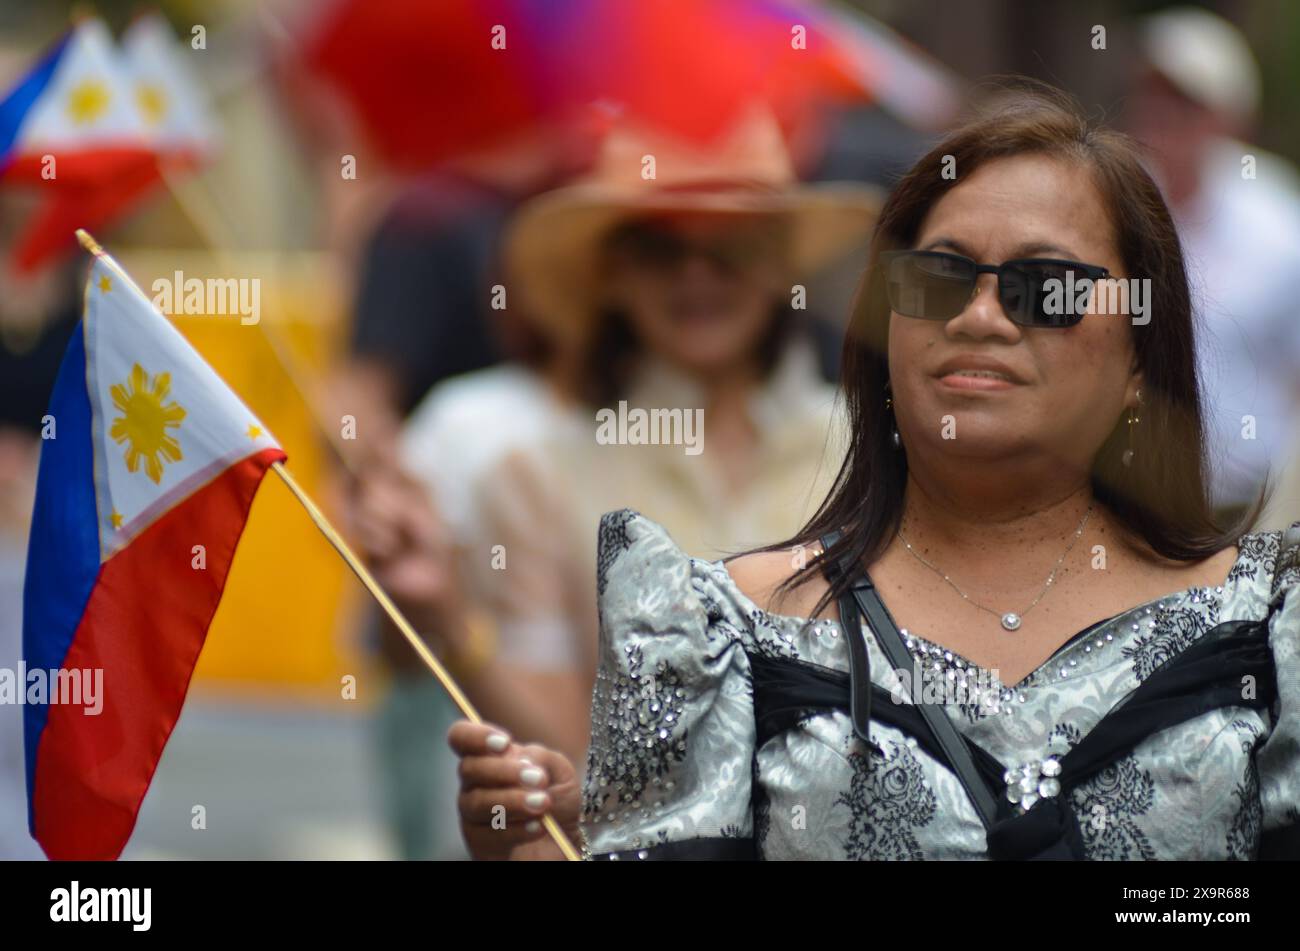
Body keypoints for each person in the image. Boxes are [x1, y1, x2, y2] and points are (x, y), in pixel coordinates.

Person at [447, 85, 1300, 861]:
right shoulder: (717, 629)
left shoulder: (1266, 629)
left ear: (1140, 357)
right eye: (937, 278)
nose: (978, 315)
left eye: (1045, 288)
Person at [354, 110, 880, 765]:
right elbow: (567, 770)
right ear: (615, 275)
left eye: (730, 246)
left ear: (779, 261)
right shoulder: (540, 471)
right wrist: (451, 622)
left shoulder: (868, 451)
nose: (697, 274)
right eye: (661, 249)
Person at [1127, 7, 1300, 526]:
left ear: (1230, 115)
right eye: (1155, 95)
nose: (1165, 114)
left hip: (1248, 514)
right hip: (1124, 505)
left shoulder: (1277, 221)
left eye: (1186, 101)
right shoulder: (1113, 204)